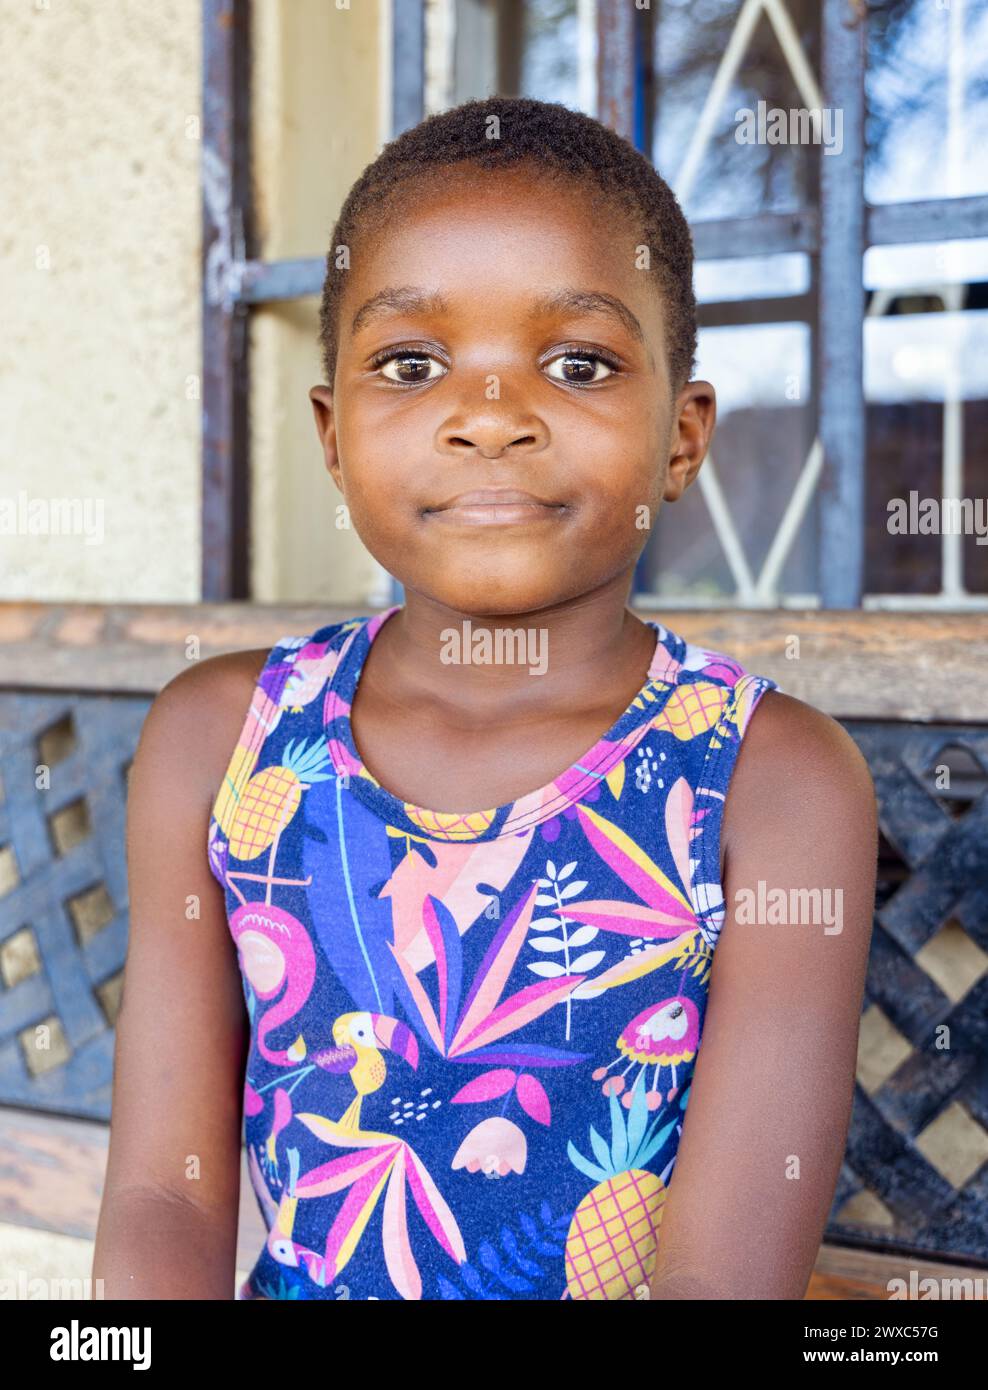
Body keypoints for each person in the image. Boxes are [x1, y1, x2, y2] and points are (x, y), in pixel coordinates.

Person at [92, 96, 878, 1301]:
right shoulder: (225, 739)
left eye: (578, 363)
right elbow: (161, 1196)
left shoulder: (771, 781)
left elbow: (723, 1285)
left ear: (680, 435)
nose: (492, 417)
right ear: (334, 434)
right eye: (412, 364)